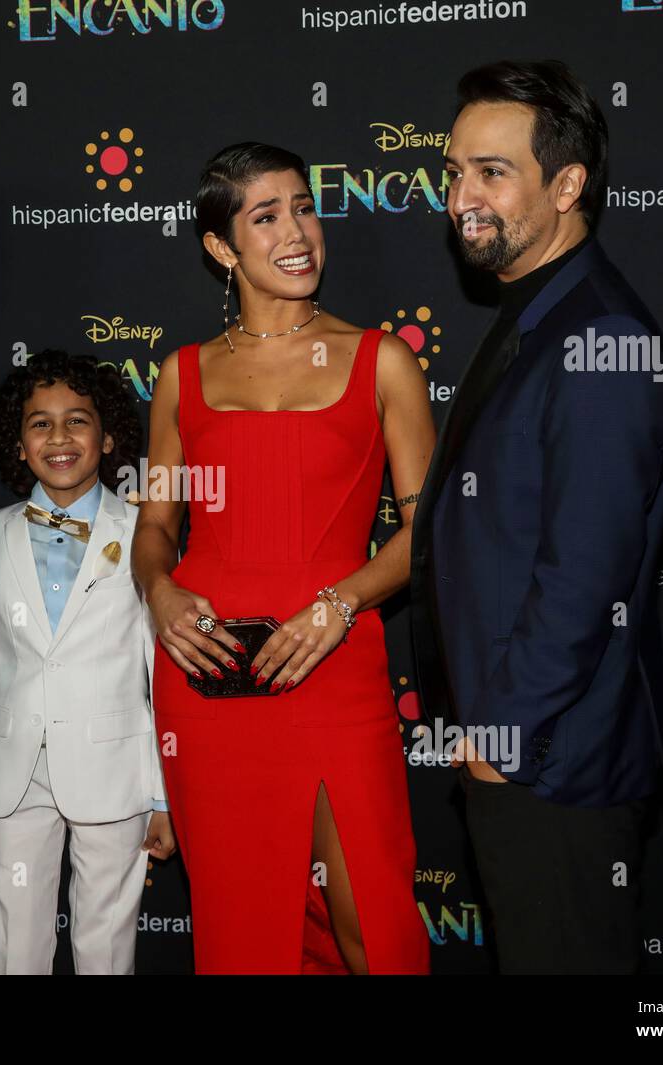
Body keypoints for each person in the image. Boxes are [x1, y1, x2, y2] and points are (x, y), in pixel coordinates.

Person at [133, 143, 435, 975]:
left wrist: (338, 605)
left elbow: (427, 530)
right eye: (266, 216)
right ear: (222, 248)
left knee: (370, 921)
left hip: (336, 664)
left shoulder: (382, 360)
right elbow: (156, 524)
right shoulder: (181, 375)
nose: (297, 231)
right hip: (209, 673)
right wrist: (158, 592)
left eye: (304, 207)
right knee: (242, 926)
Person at [410, 60, 663, 974]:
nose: (462, 196)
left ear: (568, 185)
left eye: (492, 171)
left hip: (554, 760)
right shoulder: (541, 310)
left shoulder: (602, 337)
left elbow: (584, 575)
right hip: (526, 749)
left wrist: (501, 734)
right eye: (455, 171)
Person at [0, 351, 175, 974]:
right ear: (18, 445)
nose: (59, 437)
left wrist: (163, 794)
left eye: (77, 420)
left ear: (106, 436)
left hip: (115, 770)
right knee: (13, 947)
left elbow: (163, 675)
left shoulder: (143, 533)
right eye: (39, 424)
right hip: (12, 772)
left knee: (106, 949)